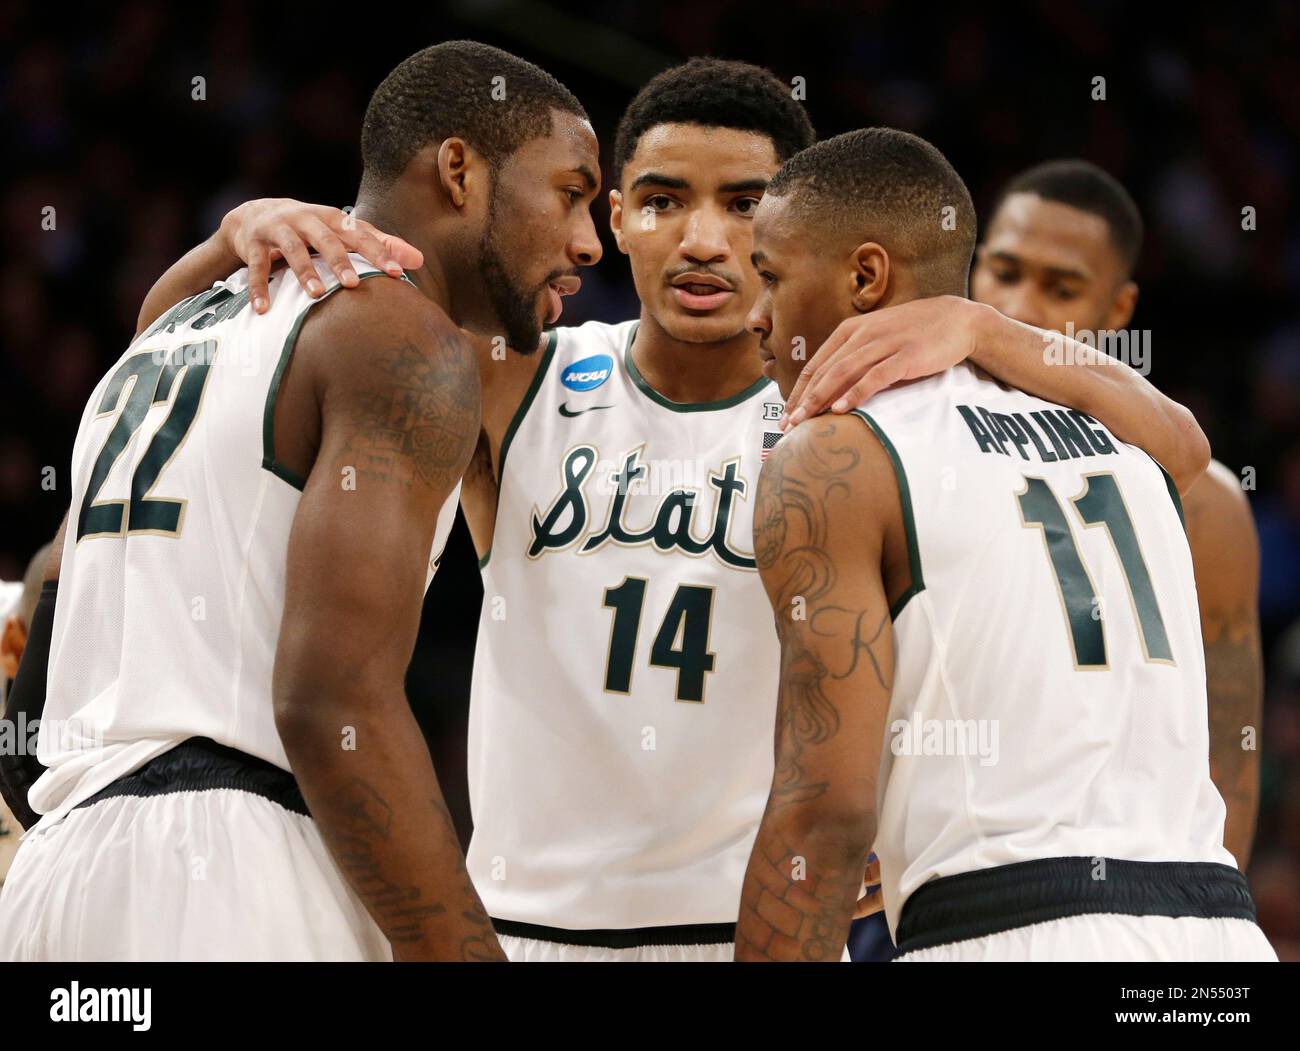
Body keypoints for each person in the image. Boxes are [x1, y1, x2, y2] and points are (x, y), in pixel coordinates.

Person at [159, 61, 1207, 962]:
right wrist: (235, 238)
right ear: (612, 219)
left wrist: (984, 325)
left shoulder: (856, 415)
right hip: (521, 930)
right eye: (661, 200)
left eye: (745, 206)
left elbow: (1179, 447)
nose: (702, 239)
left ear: (795, 224)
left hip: (762, 930)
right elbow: (180, 359)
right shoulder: (505, 375)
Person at [0, 39, 603, 961]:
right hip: (230, 870)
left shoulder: (166, 326)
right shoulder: (402, 336)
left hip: (53, 875)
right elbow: (332, 701)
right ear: (458, 171)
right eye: (571, 191)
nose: (587, 243)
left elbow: (40, 650)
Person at [736, 126, 1274, 961]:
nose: (754, 313)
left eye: (768, 275)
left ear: (868, 275)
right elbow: (1190, 444)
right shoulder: (1138, 448)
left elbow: (826, 812)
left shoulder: (833, 454)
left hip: (1006, 924)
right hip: (1216, 935)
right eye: (1005, 278)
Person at [968, 160, 1262, 868]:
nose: (1022, 306)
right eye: (1004, 272)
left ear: (1119, 310)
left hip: (1107, 886)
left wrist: (1212, 913)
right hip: (915, 861)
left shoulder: (1205, 500)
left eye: (1060, 286)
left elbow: (1228, 747)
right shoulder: (895, 437)